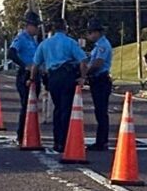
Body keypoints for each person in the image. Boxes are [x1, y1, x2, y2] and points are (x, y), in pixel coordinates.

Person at [31, 18, 87, 152]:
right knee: (66, 108)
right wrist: (83, 77)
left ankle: (57, 141)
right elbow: (83, 61)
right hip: (67, 76)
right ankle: (65, 140)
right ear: (65, 28)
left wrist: (32, 79)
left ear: (53, 29)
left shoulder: (45, 44)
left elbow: (35, 64)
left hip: (53, 78)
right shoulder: (70, 42)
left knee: (57, 108)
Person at [7, 11, 41, 144]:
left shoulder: (33, 40)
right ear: (29, 25)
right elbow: (11, 53)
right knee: (26, 104)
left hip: (35, 74)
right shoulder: (21, 38)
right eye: (36, 26)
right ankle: (21, 134)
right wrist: (24, 66)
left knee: (32, 105)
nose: (37, 29)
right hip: (25, 75)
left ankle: (30, 132)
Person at [85, 19, 113, 151]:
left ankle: (102, 141)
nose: (89, 35)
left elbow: (98, 63)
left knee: (101, 112)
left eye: (90, 32)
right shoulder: (98, 45)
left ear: (97, 32)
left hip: (100, 80)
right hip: (97, 80)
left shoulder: (103, 45)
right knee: (99, 111)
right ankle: (101, 140)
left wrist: (85, 73)